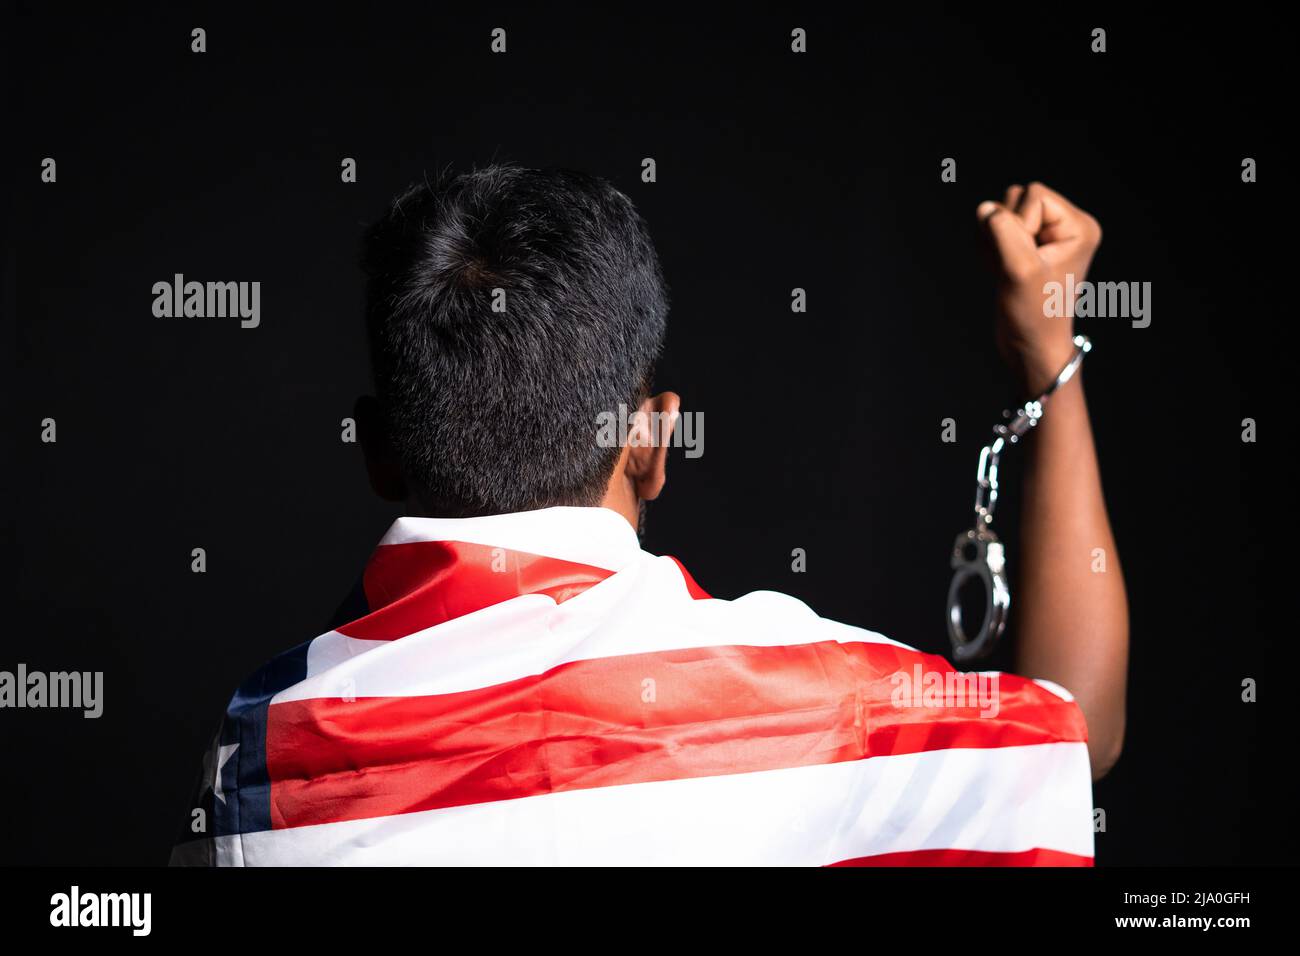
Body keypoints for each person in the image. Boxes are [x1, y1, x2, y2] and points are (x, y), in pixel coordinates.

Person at [170, 166, 1127, 866]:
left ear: (375, 448)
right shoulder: (821, 705)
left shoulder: (258, 752)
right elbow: (1077, 731)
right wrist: (1049, 358)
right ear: (656, 441)